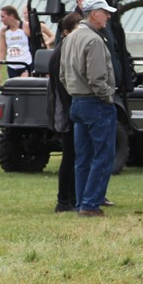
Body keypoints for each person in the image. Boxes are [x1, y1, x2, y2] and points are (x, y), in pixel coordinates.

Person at [62, 0, 118, 217]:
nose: (108, 16)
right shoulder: (94, 40)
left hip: (77, 101)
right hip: (95, 103)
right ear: (94, 13)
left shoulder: (70, 38)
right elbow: (97, 78)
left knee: (82, 157)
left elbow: (62, 74)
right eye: (105, 12)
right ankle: (90, 203)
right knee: (103, 155)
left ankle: (81, 201)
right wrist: (107, 97)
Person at [46, 12, 83, 213]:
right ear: (67, 32)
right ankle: (63, 201)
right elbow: (63, 87)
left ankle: (74, 198)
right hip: (65, 110)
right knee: (70, 156)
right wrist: (73, 111)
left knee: (75, 155)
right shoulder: (62, 52)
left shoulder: (66, 49)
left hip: (66, 108)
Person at [0, 5, 32, 85]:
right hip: (12, 66)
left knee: (22, 86)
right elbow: (1, 51)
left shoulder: (25, 26)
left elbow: (36, 41)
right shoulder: (4, 31)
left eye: (3, 17)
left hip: (25, 63)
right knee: (14, 90)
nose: (1, 20)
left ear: (11, 16)